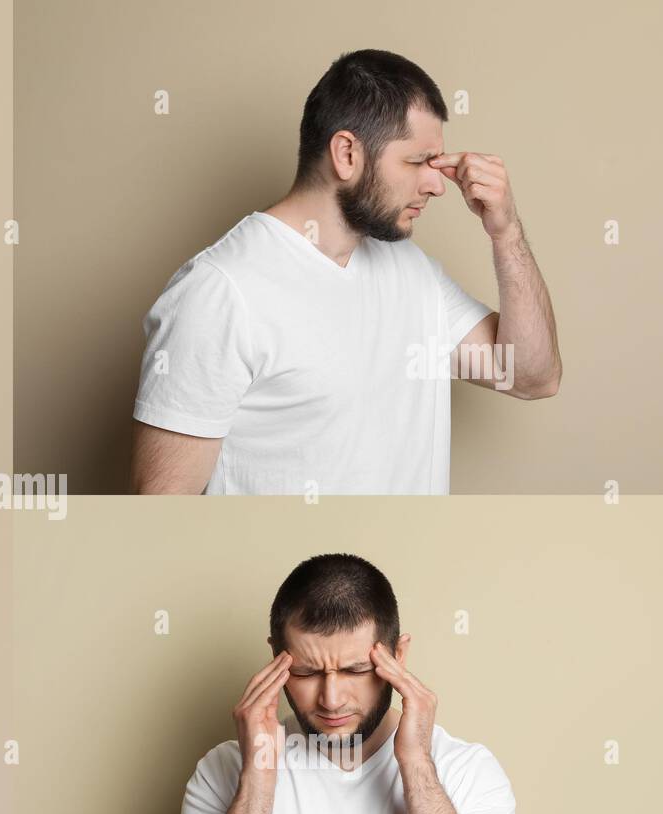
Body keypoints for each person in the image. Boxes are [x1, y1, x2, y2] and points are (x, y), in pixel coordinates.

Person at [131, 49, 562, 495]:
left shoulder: (414, 272)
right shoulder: (219, 292)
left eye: (437, 165)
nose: (436, 185)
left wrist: (506, 233)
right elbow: (162, 506)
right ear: (346, 153)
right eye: (417, 162)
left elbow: (533, 377)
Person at [153, 553, 528, 814]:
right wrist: (258, 774)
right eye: (308, 671)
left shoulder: (463, 768)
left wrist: (417, 766)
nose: (331, 699)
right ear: (277, 659)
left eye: (355, 670)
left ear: (398, 656)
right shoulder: (225, 768)